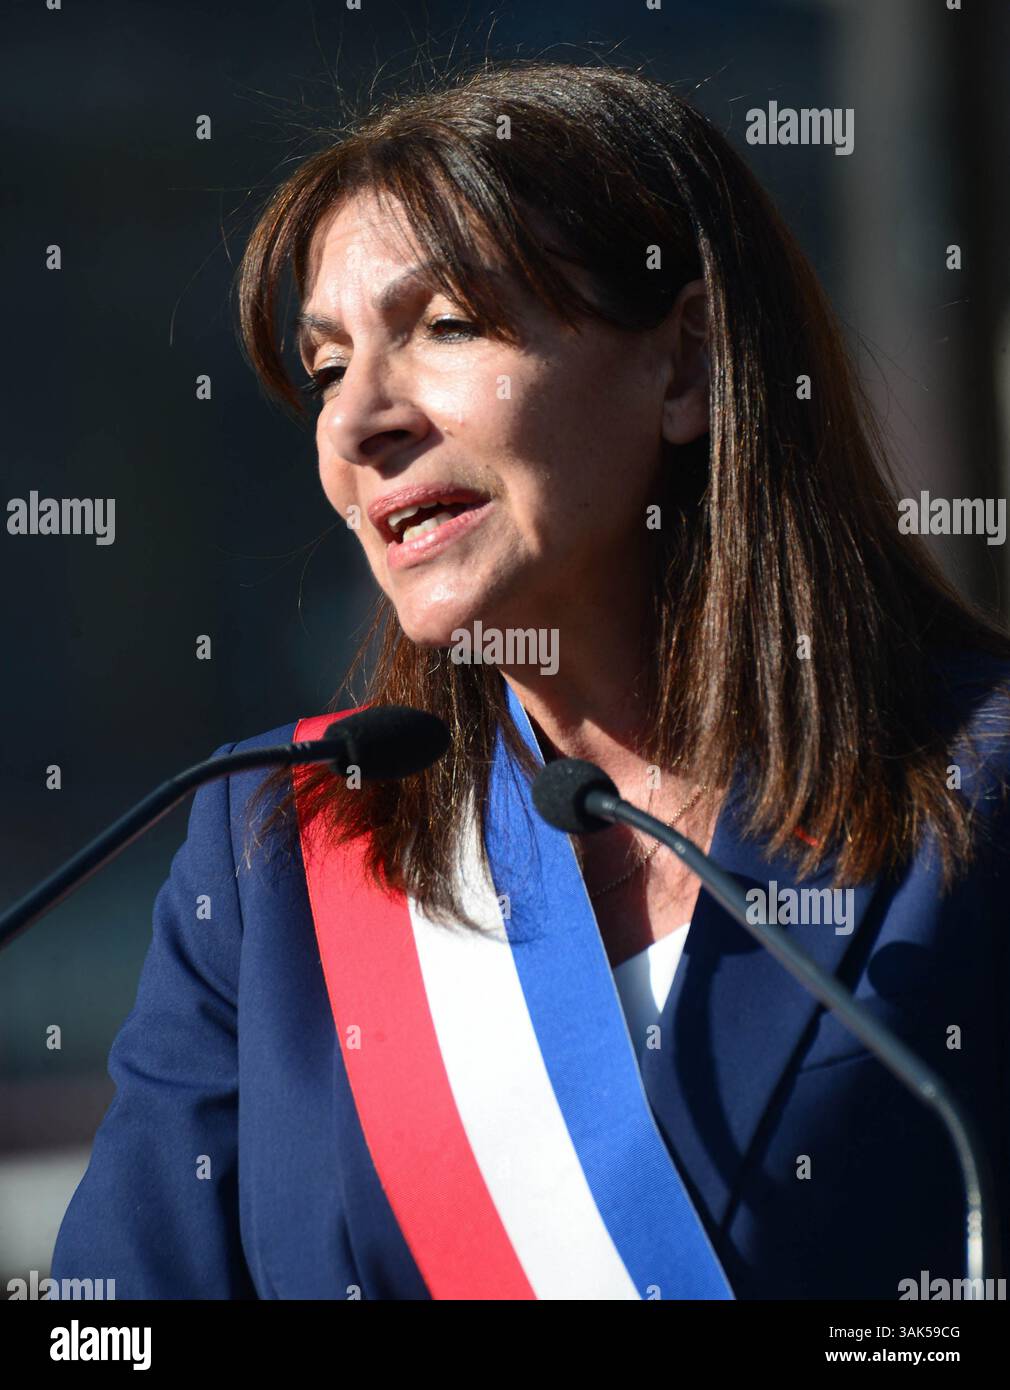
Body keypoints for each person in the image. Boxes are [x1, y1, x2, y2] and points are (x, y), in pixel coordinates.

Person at [51, 60, 1010, 1300]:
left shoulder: (971, 791)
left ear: (685, 366)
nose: (355, 424)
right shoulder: (273, 855)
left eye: (446, 326)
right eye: (329, 364)